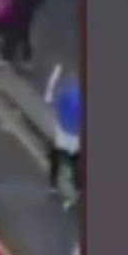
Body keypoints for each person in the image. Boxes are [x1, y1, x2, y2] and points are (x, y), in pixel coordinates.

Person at [45, 70, 82, 203]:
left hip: (61, 135)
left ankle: (53, 185)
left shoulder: (65, 94)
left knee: (55, 158)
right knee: (75, 161)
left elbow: (52, 102)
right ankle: (78, 187)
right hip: (74, 139)